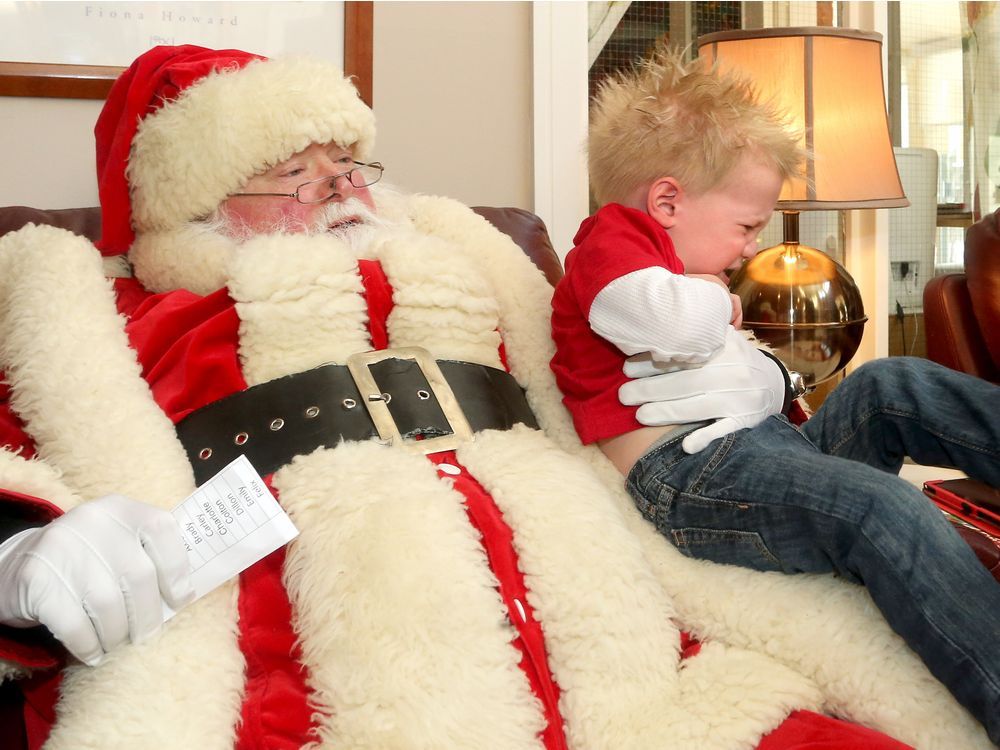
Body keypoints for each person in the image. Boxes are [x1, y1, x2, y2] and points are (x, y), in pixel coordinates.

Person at [0, 45, 991, 750]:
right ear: (195, 202)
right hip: (331, 687)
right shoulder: (110, 308)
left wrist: (763, 374)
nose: (339, 190)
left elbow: (598, 370)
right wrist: (22, 551)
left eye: (347, 166)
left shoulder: (464, 257)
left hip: (639, 660)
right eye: (294, 175)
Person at [550, 48, 1000, 745]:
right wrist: (717, 306)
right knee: (881, 506)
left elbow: (749, 380)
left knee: (888, 383)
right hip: (696, 480)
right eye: (746, 225)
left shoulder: (670, 258)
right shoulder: (614, 241)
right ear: (666, 201)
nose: (750, 246)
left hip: (756, 455)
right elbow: (667, 320)